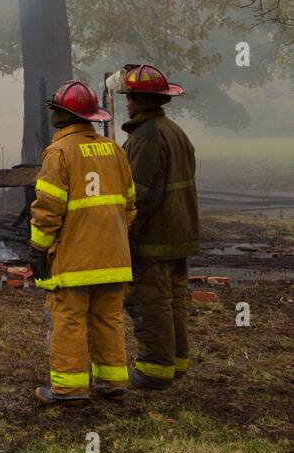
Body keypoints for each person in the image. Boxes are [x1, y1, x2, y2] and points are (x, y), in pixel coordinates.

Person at [29, 80, 137, 403]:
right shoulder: (115, 150)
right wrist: (113, 236)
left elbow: (48, 210)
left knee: (69, 320)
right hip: (115, 260)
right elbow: (129, 205)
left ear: (63, 115)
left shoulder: (59, 153)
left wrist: (38, 249)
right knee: (108, 319)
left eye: (55, 110)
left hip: (74, 262)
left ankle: (69, 388)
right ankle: (113, 382)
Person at [117, 63, 200, 390]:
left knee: (150, 301)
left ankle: (155, 369)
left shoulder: (147, 137)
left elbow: (140, 196)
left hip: (154, 237)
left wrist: (127, 237)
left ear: (141, 100)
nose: (127, 102)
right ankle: (176, 362)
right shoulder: (174, 131)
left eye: (130, 97)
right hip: (179, 233)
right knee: (173, 300)